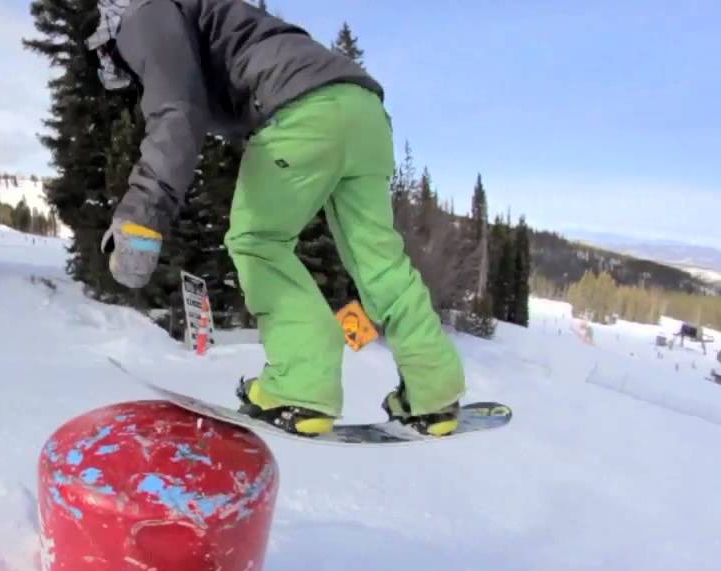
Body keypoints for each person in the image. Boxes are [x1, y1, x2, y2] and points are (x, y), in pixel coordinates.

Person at [89, 0, 465, 436]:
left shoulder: (140, 15)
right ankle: (434, 389)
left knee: (257, 241)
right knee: (379, 259)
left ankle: (303, 383)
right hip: (364, 110)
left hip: (302, 109)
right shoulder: (199, 13)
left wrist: (142, 213)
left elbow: (178, 113)